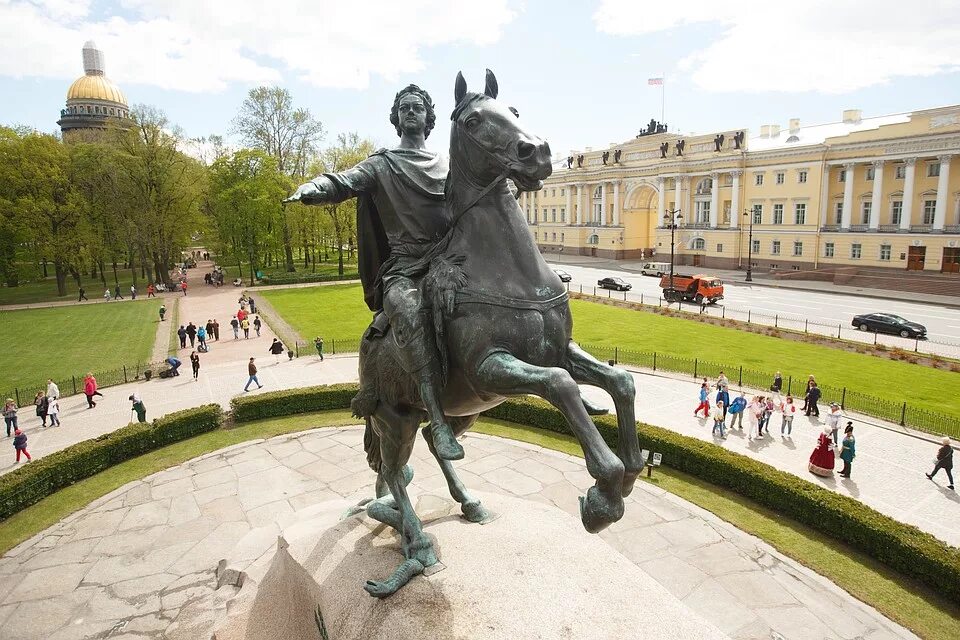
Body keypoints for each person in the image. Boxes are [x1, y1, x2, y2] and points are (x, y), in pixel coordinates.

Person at [287, 83, 462, 460]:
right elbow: (343, 181)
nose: (411, 112)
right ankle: (438, 420)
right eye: (404, 108)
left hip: (445, 264)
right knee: (407, 313)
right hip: (403, 271)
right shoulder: (382, 164)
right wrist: (315, 186)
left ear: (429, 118)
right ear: (397, 117)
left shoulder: (448, 165)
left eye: (418, 108)